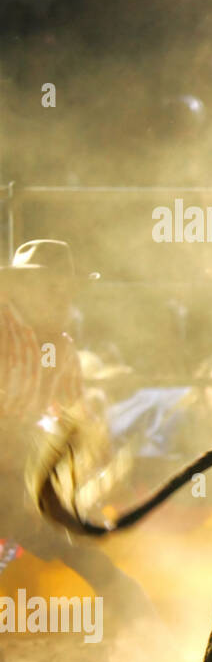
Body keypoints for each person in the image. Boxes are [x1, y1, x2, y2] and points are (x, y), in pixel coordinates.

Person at [0, 240, 155, 628]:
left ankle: (139, 624)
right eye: (50, 287)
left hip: (17, 468)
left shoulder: (62, 349)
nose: (60, 298)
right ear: (20, 289)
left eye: (64, 289)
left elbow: (73, 420)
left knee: (70, 537)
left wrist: (97, 470)